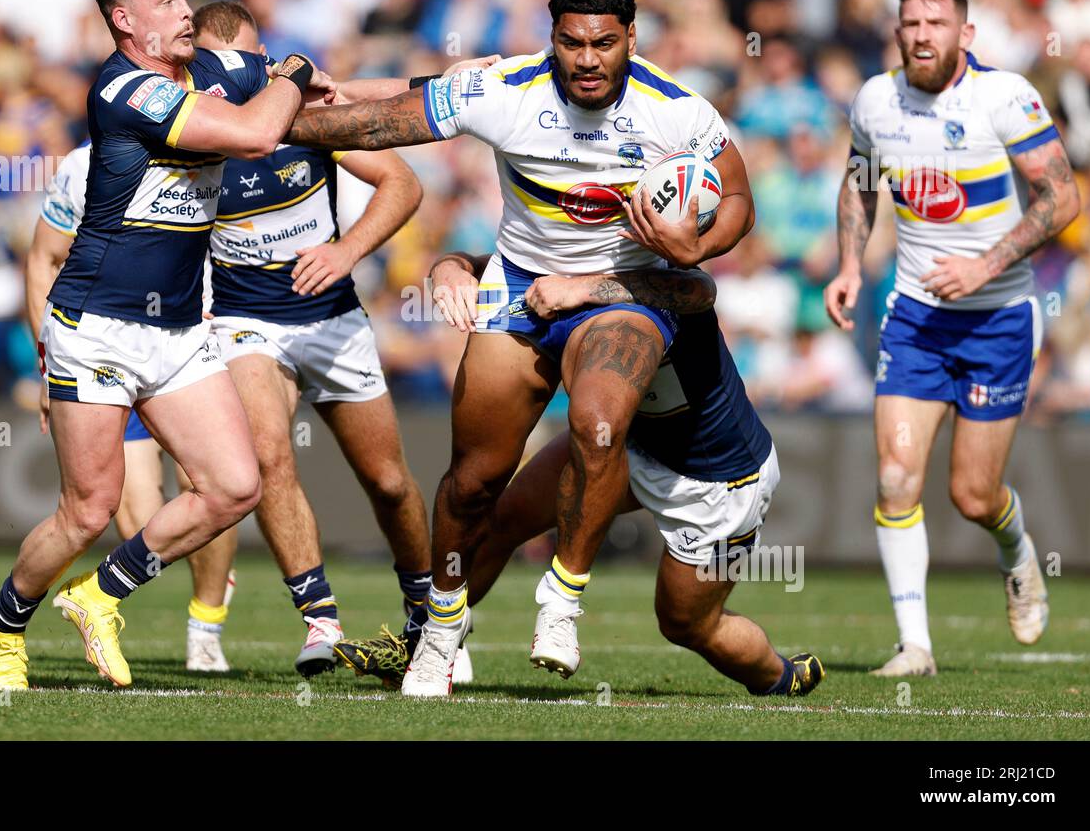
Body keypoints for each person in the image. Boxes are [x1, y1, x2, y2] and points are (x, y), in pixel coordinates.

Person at [286, 0, 756, 696]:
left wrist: (698, 245)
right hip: (517, 290)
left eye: (604, 42)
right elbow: (384, 122)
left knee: (598, 426)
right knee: (473, 482)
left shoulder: (679, 111)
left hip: (620, 293)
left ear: (631, 38)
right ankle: (442, 627)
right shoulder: (504, 90)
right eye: (571, 42)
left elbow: (739, 202)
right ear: (553, 40)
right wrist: (269, 126)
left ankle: (562, 598)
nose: (588, 58)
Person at [0, 0, 336, 691]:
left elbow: (330, 94)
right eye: (167, 1)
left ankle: (99, 595)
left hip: (176, 330)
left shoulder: (209, 67)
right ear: (125, 21)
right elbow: (260, 133)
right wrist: (294, 75)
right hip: (96, 324)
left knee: (235, 486)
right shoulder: (124, 91)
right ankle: (4, 625)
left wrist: (447, 96)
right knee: (86, 511)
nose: (185, 11)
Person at [336, 254, 823, 700]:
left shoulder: (670, 273)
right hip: (628, 442)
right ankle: (424, 642)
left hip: (714, 478)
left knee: (687, 623)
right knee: (503, 517)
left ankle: (781, 676)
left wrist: (583, 287)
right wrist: (452, 265)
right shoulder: (585, 237)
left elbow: (697, 290)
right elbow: (514, 265)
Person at [187, 0, 478, 678]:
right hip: (244, 320)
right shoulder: (188, 131)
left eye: (250, 63)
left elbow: (402, 185)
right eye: (222, 67)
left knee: (387, 481)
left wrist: (346, 253)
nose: (239, 79)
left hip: (332, 316)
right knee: (266, 460)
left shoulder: (302, 115)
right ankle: (320, 616)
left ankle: (431, 619)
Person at [824, 0, 1079, 676]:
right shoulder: (876, 99)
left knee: (973, 495)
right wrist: (849, 264)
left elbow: (1062, 197)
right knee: (897, 476)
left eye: (937, 22)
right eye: (911, 22)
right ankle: (916, 646)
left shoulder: (1004, 97)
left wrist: (985, 265)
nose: (922, 34)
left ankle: (1017, 551)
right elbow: (859, 179)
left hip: (998, 319)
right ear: (897, 30)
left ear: (965, 34)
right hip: (915, 318)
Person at [24, 140, 237, 673]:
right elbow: (43, 258)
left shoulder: (207, 144)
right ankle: (91, 597)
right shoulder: (79, 165)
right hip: (105, 350)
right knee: (129, 516)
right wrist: (47, 366)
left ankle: (205, 624)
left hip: (185, 344)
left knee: (215, 485)